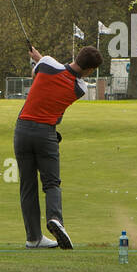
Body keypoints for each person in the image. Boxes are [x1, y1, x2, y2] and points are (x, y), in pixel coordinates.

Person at [13, 44, 102, 249]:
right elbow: (63, 73)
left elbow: (42, 71)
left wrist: (38, 59)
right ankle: (55, 219)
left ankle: (34, 238)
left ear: (76, 56)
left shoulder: (47, 63)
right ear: (90, 70)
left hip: (22, 130)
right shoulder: (80, 89)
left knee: (27, 185)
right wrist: (40, 58)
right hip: (46, 134)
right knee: (51, 183)